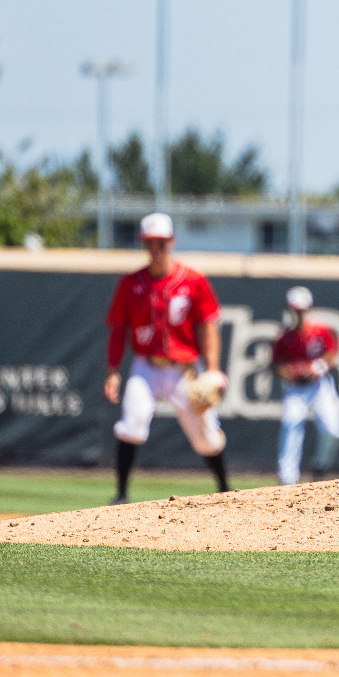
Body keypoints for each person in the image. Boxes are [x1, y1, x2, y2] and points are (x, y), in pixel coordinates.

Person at [103, 212, 230, 504]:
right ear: (143, 243)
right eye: (149, 241)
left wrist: (212, 370)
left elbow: (208, 326)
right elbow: (117, 329)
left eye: (160, 241)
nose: (155, 247)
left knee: (206, 436)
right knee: (131, 424)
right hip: (146, 366)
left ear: (171, 241)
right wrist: (112, 370)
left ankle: (225, 490)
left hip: (184, 370)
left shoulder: (193, 280)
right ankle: (121, 495)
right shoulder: (130, 283)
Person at [270, 285, 339, 484]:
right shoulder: (284, 337)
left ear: (308, 309)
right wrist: (290, 373)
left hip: (320, 385)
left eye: (301, 310)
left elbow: (332, 355)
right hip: (295, 388)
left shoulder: (321, 330)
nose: (298, 314)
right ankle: (287, 478)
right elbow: (277, 365)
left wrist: (316, 368)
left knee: (334, 429)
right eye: (294, 310)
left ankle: (321, 465)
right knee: (291, 425)